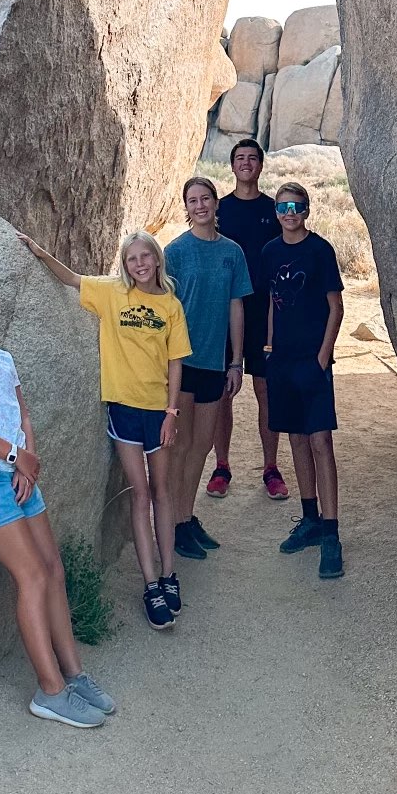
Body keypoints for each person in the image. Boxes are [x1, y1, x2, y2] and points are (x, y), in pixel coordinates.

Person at [0, 272, 117, 728]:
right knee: (32, 575)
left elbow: (23, 415)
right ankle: (49, 691)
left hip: (18, 474)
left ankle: (73, 673)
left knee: (53, 568)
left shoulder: (4, 359)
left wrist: (26, 463)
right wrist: (16, 456)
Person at [19, 227, 191, 631]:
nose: (140, 264)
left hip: (157, 409)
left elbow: (176, 362)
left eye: (145, 256)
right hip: (125, 408)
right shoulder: (113, 292)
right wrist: (41, 252)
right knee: (140, 493)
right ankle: (151, 585)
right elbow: (72, 278)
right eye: (132, 259)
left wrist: (172, 412)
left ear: (156, 258)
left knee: (163, 491)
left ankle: (169, 573)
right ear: (125, 265)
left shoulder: (170, 305)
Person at [164, 176, 251, 563]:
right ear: (186, 207)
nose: (200, 205)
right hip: (182, 362)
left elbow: (236, 306)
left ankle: (186, 516)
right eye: (192, 200)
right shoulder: (175, 252)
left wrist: (236, 361)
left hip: (216, 362)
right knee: (181, 446)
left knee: (202, 444)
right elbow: (163, 307)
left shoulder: (232, 252)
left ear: (216, 203)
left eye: (205, 199)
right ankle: (174, 523)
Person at [262, 182, 346, 579]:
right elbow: (273, 301)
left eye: (296, 206)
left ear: (307, 210)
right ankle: (310, 518)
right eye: (283, 207)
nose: (290, 213)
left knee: (320, 441)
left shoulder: (320, 250)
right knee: (296, 438)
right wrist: (269, 347)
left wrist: (322, 358)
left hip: (313, 361)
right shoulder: (270, 252)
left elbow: (336, 307)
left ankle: (331, 533)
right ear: (276, 212)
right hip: (282, 360)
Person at [207, 137, 288, 502]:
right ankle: (221, 466)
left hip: (265, 313)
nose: (246, 163)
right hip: (225, 311)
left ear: (260, 165)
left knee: (265, 390)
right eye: (239, 157)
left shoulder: (274, 210)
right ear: (232, 165)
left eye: (252, 158)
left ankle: (271, 468)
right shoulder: (220, 209)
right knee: (223, 392)